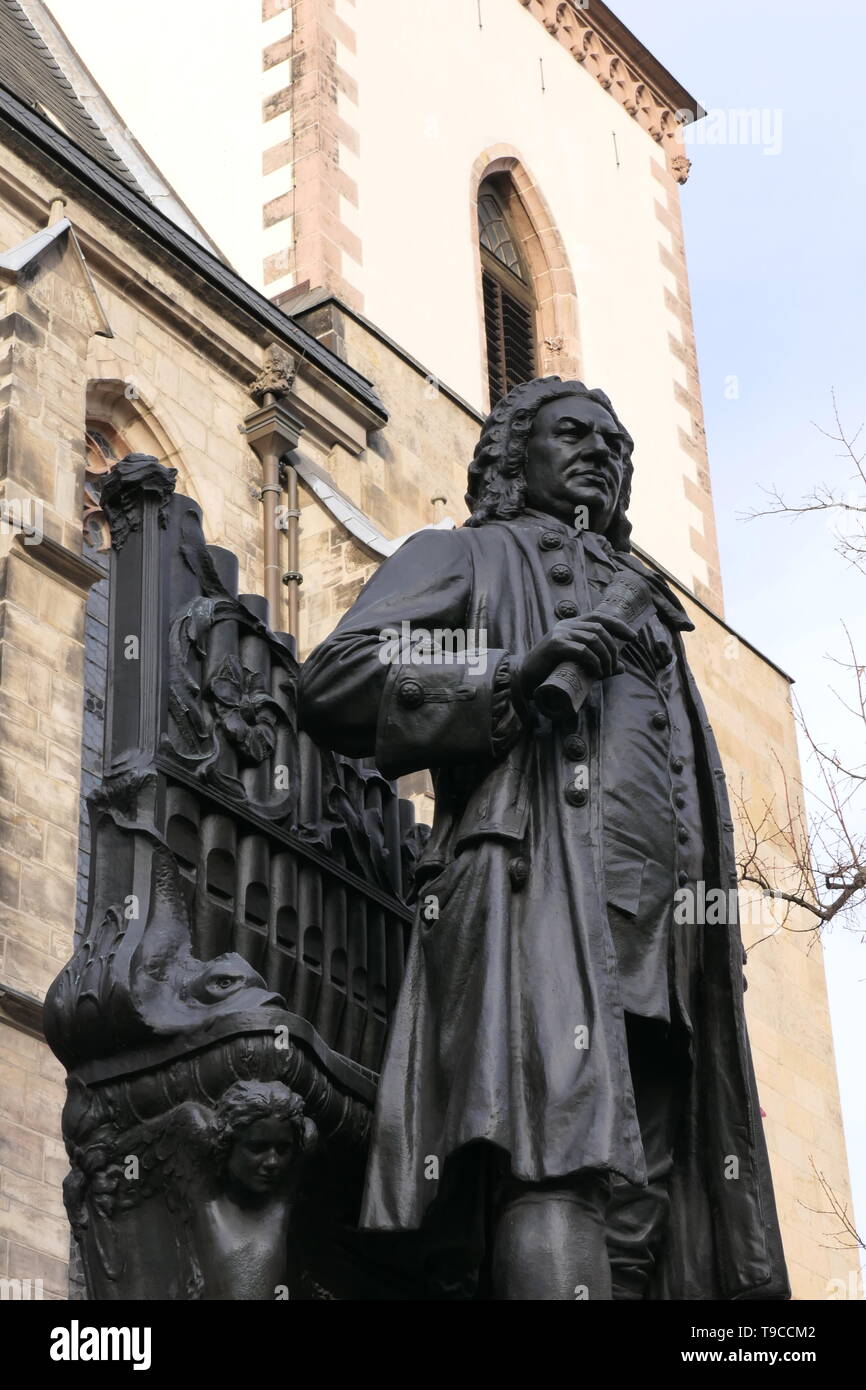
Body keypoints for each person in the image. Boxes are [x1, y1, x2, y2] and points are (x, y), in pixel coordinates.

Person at [299, 377, 789, 1300]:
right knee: (555, 1152)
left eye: (617, 444)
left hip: (667, 945)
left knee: (644, 1192)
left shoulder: (653, 609)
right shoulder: (467, 557)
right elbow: (341, 675)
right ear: (512, 456)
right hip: (534, 898)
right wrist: (504, 674)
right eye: (574, 432)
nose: (602, 450)